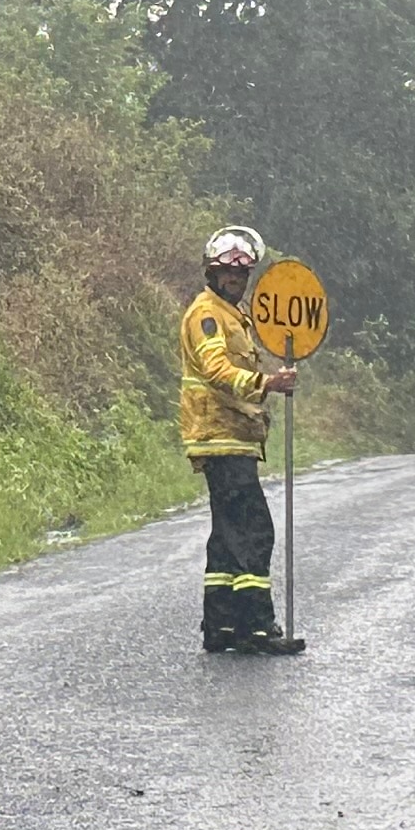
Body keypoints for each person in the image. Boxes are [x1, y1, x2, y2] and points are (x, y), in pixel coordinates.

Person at [179, 225, 302, 656]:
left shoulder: (236, 316)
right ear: (212, 274)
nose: (235, 281)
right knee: (253, 531)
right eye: (227, 274)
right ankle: (256, 626)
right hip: (220, 436)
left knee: (227, 535)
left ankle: (222, 626)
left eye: (241, 275)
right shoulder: (207, 315)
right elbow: (216, 369)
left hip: (232, 438)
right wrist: (266, 383)